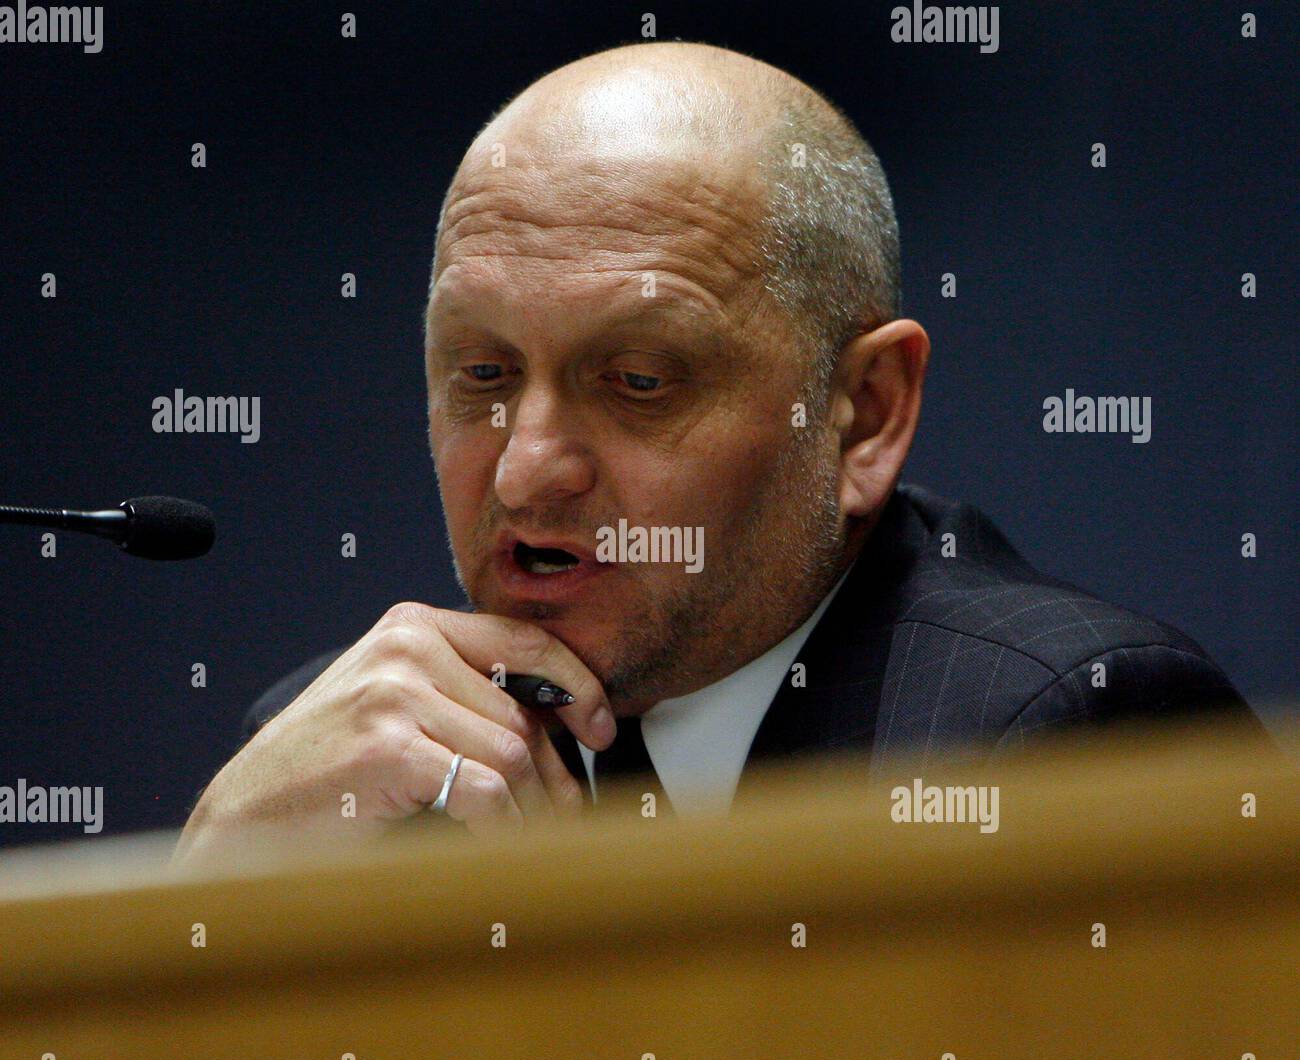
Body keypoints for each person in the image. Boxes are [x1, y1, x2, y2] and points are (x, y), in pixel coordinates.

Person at [175, 42, 1257, 860]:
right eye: (484, 378)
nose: (524, 470)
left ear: (865, 412)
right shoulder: (348, 757)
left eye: (639, 381)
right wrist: (205, 901)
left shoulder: (1052, 734)